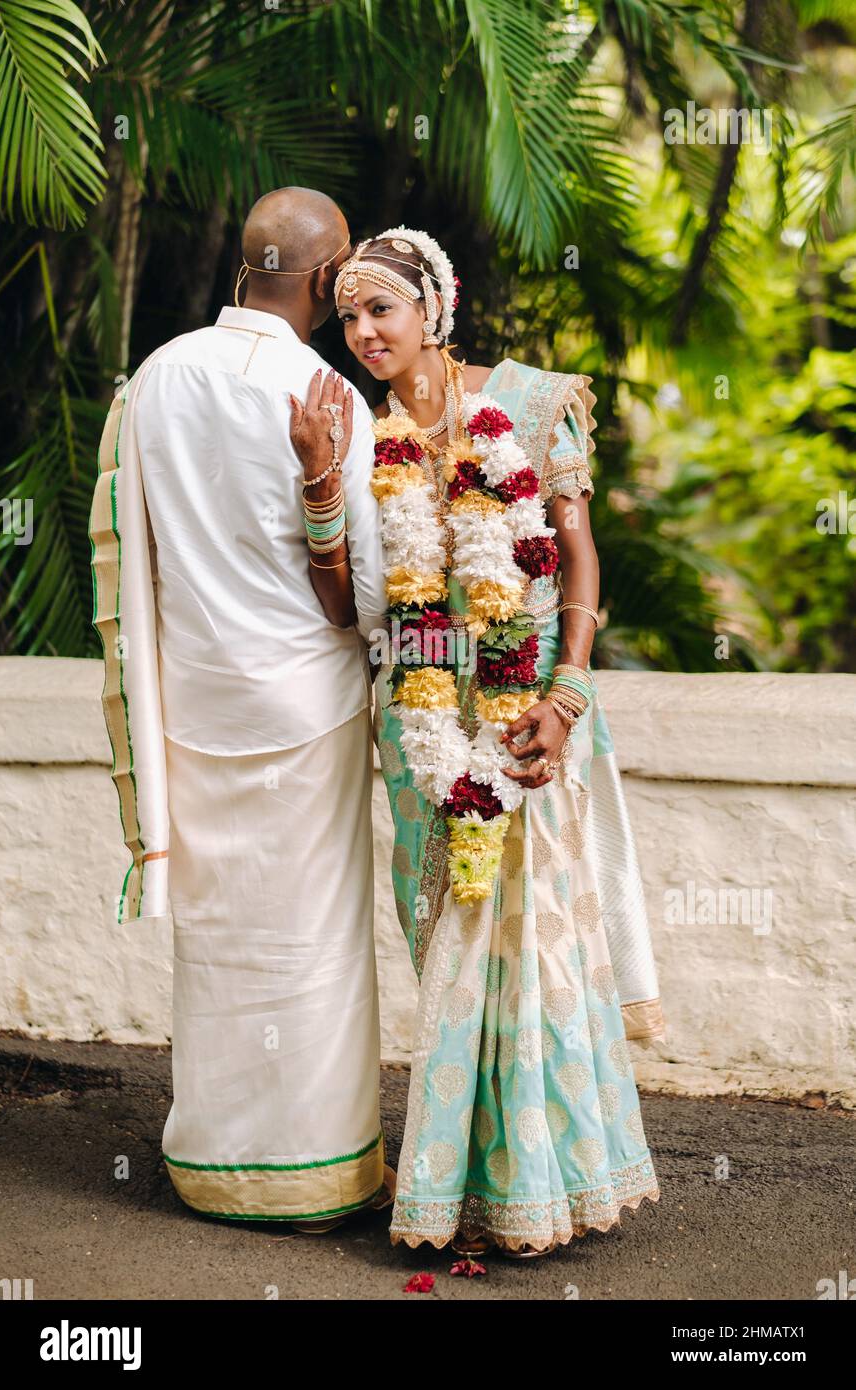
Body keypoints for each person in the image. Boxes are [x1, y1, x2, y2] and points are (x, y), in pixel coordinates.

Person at [296, 226, 666, 1257]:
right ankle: (463, 1186)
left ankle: (536, 1184)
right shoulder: (363, 439)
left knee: (530, 945)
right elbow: (350, 613)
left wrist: (565, 693)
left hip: (530, 711)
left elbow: (580, 559)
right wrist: (323, 490)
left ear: (433, 307)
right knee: (451, 939)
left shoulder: (536, 405)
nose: (363, 331)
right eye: (348, 316)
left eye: (381, 308)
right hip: (419, 716)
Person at [88, 187, 394, 1229]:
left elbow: (139, 562)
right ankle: (317, 1168)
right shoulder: (329, 395)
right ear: (325, 279)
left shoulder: (154, 378)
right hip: (306, 711)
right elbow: (358, 591)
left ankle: (215, 1158)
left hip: (194, 706)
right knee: (311, 941)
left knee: (219, 945)